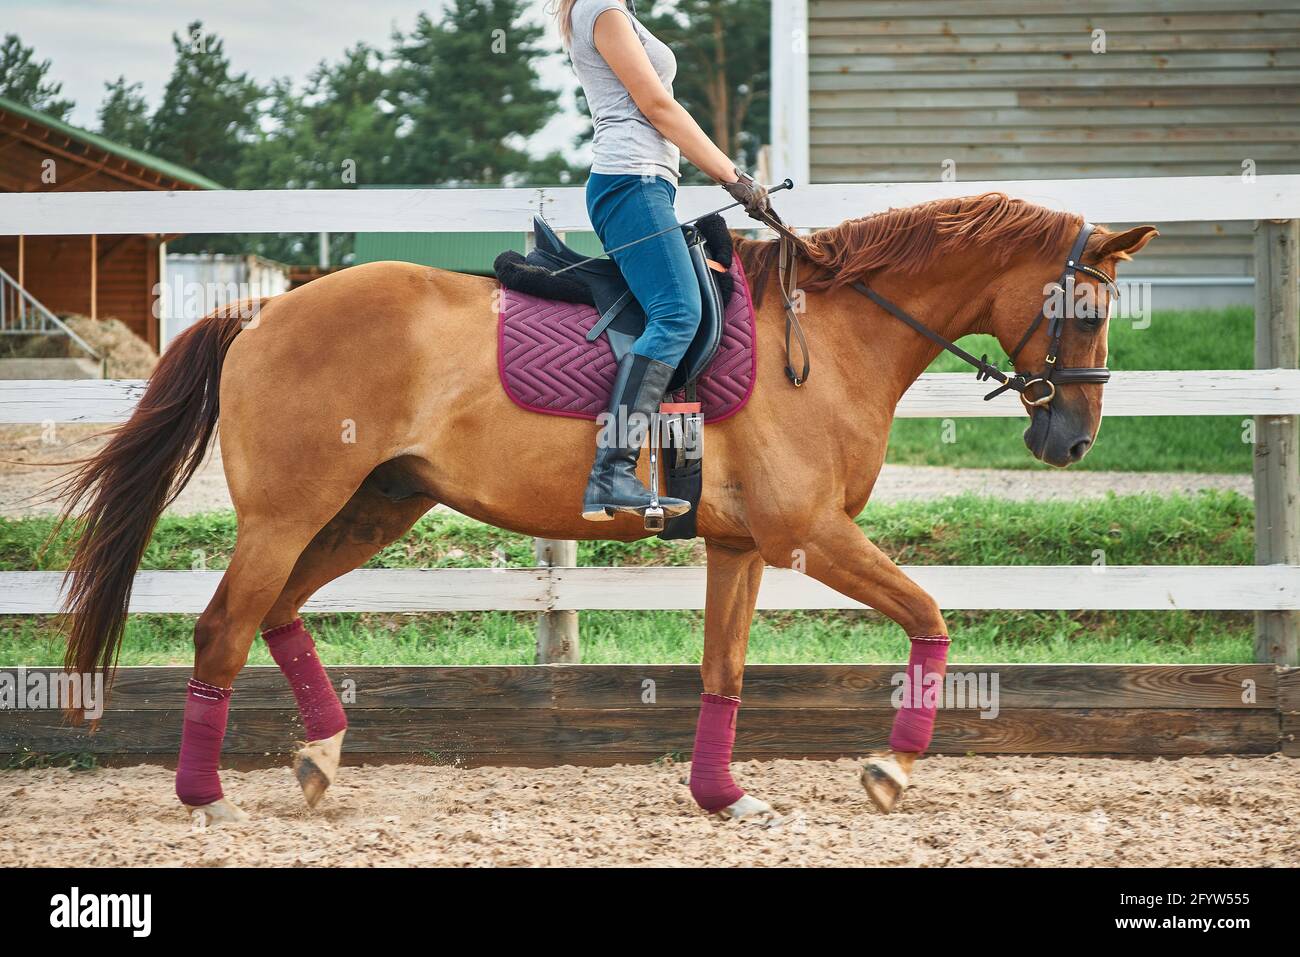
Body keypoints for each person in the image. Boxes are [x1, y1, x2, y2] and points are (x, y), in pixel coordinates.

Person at [552, 0, 771, 521]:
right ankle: (611, 473)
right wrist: (732, 177)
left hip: (647, 185)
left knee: (680, 308)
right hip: (631, 182)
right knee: (677, 313)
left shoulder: (616, 11)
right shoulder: (602, 9)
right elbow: (657, 105)